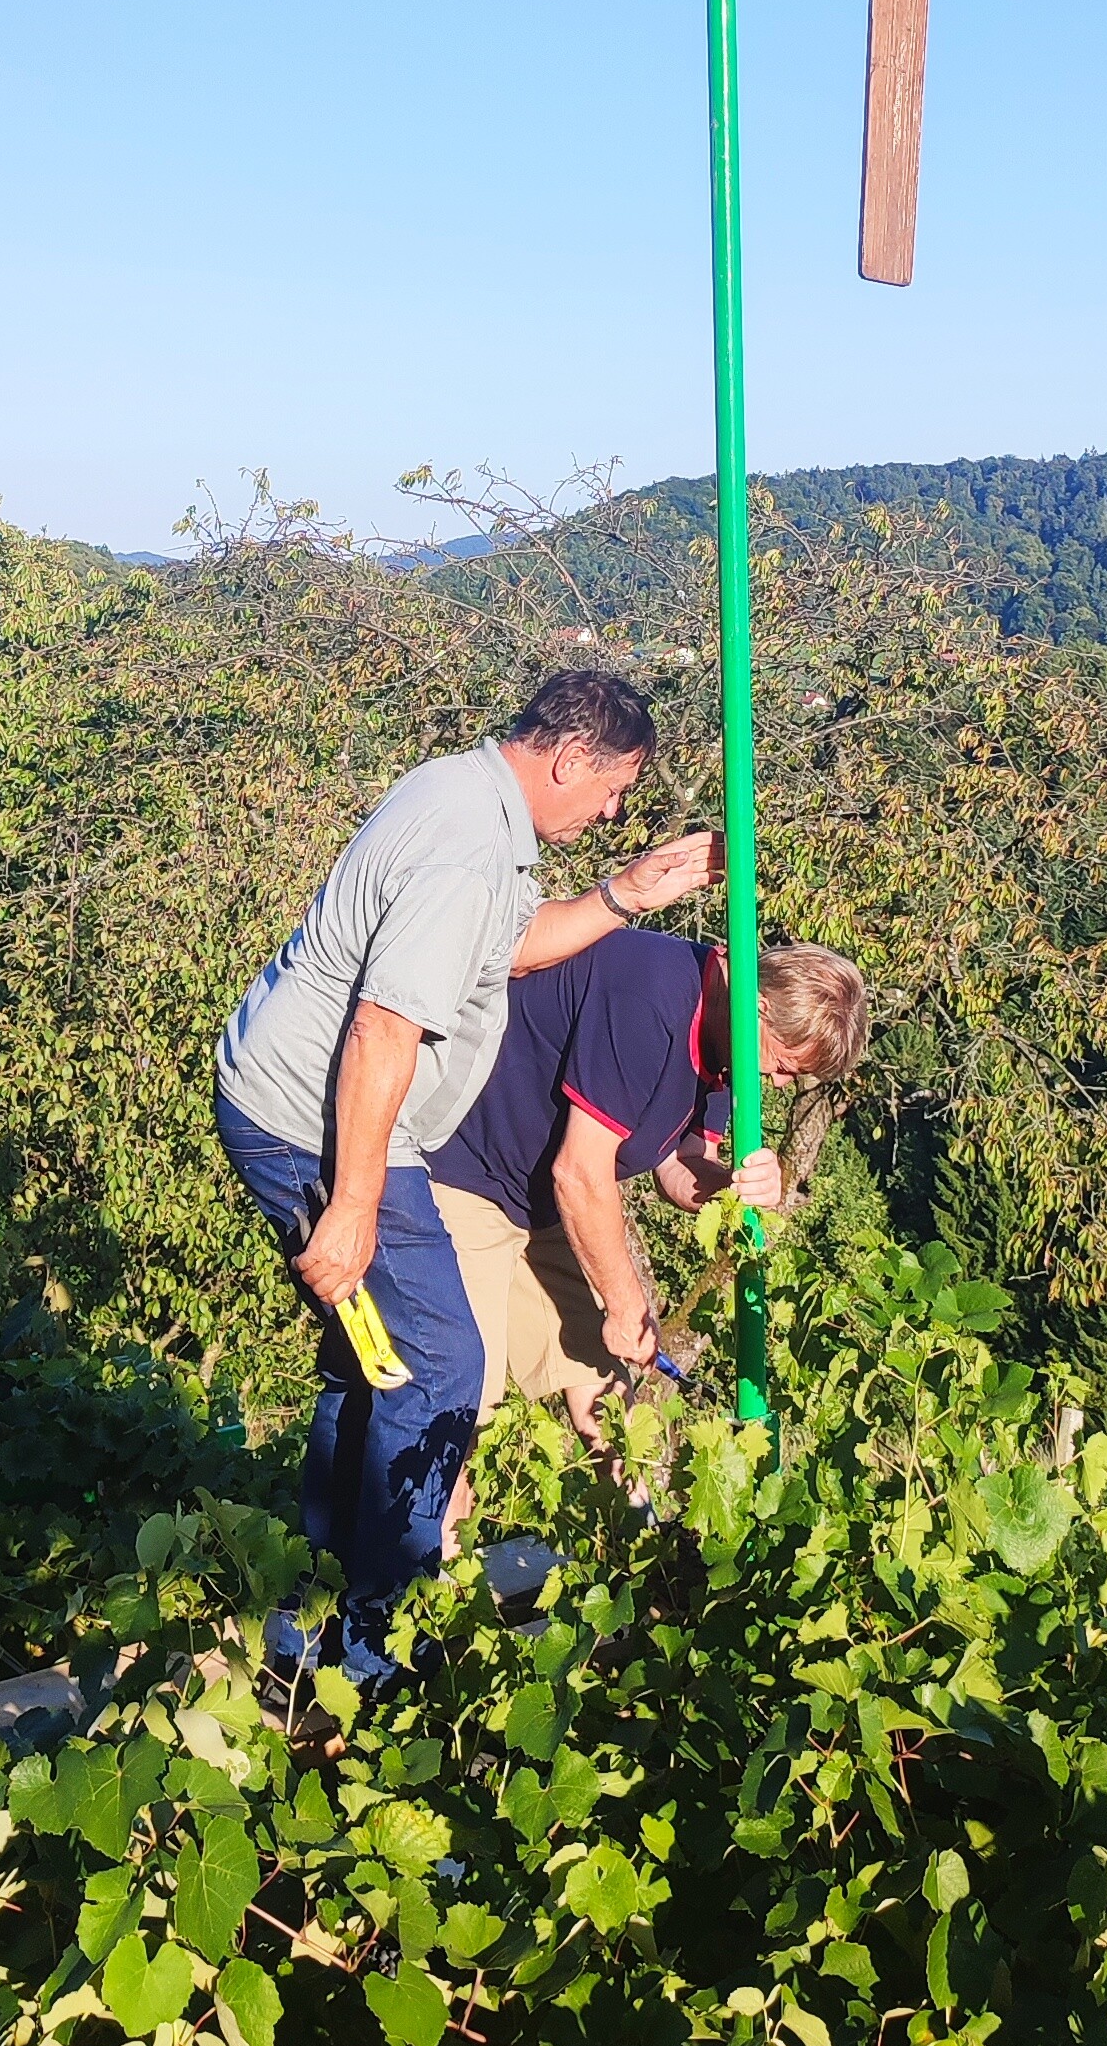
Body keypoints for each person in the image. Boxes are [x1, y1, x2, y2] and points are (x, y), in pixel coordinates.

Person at [214, 666, 712, 1670]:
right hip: (325, 1127)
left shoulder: (467, 795)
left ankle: (314, 1607)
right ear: (571, 757)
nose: (616, 809)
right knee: (441, 1366)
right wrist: (354, 1205)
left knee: (380, 1360)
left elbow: (514, 946)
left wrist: (624, 893)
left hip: (309, 1105)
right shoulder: (469, 851)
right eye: (614, 788)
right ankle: (374, 1650)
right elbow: (385, 1026)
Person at [428, 929, 869, 1470]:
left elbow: (679, 1169)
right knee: (460, 1407)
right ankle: (434, 1550)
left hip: (536, 1200)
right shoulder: (650, 992)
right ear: (758, 1005)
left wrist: (735, 1182)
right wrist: (625, 1304)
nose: (776, 1085)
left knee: (605, 1385)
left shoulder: (729, 1044)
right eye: (781, 1066)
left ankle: (639, 1531)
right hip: (460, 1170)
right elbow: (581, 1174)